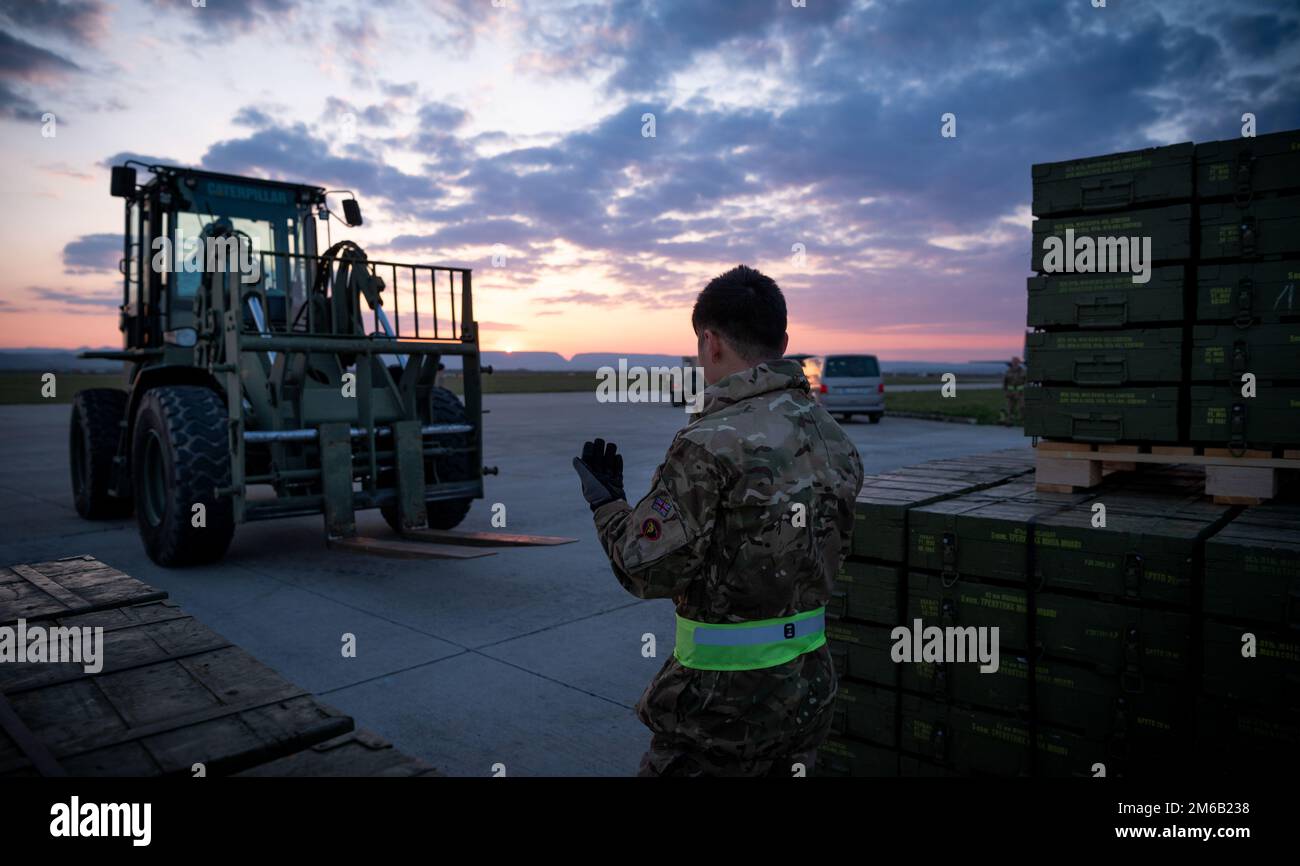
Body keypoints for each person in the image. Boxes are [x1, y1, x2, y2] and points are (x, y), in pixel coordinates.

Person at [572, 265, 864, 777]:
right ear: (784, 341)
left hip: (719, 717)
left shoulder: (709, 443)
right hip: (807, 697)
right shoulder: (833, 437)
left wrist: (609, 506)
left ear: (710, 342)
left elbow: (645, 571)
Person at [1003, 356, 1026, 426]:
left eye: (1016, 362)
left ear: (1019, 363)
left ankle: (1022, 421)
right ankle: (1009, 422)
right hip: (1010, 393)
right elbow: (1005, 383)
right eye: (1014, 362)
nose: (1015, 363)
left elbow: (1026, 382)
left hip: (1020, 393)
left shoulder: (1023, 372)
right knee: (1010, 408)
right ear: (1012, 363)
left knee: (1022, 407)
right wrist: (1006, 392)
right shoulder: (1007, 372)